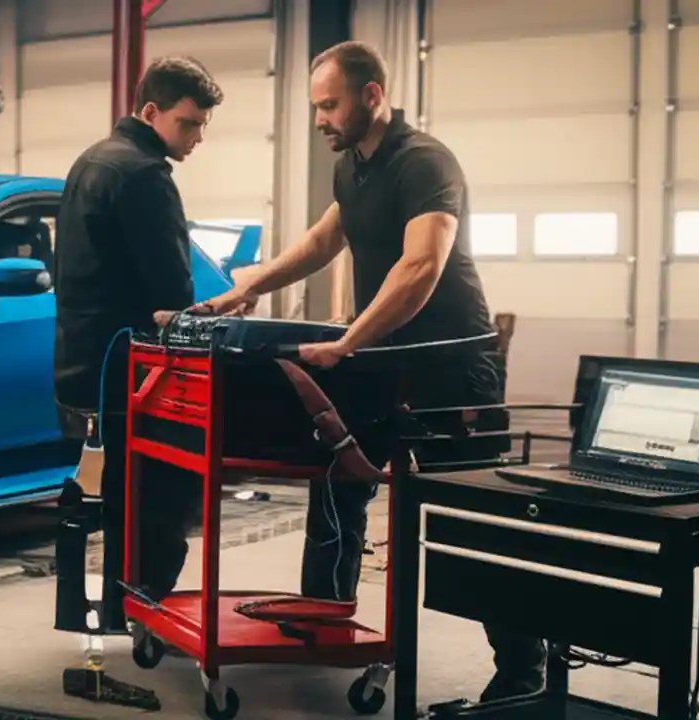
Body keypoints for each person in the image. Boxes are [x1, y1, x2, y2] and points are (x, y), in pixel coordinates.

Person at [196, 41, 547, 702]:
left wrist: (349, 339)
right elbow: (322, 242)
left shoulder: (423, 163)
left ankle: (523, 668)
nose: (321, 118)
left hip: (451, 369)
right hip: (380, 361)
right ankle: (320, 628)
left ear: (372, 96)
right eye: (315, 106)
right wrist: (238, 291)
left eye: (330, 105)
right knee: (338, 482)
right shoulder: (353, 167)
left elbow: (421, 266)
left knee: (471, 522)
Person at [52, 56, 224, 633]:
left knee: (123, 490)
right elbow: (171, 290)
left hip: (85, 364)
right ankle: (146, 606)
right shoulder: (145, 175)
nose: (198, 137)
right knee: (162, 495)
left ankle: (126, 605)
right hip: (135, 370)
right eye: (188, 123)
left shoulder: (89, 162)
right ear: (150, 112)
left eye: (203, 126)